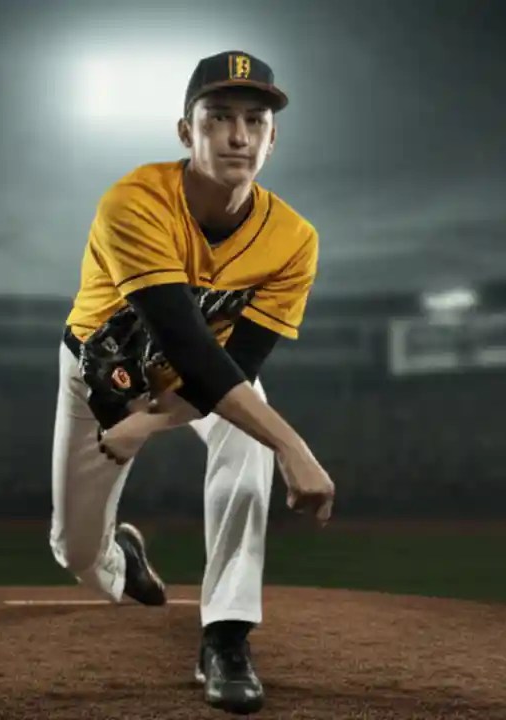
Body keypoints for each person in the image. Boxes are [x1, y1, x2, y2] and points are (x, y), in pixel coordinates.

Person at [49, 49, 335, 715]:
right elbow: (182, 339)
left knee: (249, 437)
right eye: (218, 117)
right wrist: (300, 447)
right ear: (187, 132)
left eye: (254, 120)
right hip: (101, 381)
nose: (238, 135)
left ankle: (227, 636)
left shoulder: (294, 239)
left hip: (202, 381)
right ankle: (120, 560)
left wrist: (155, 424)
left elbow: (234, 368)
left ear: (272, 137)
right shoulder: (135, 201)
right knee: (75, 550)